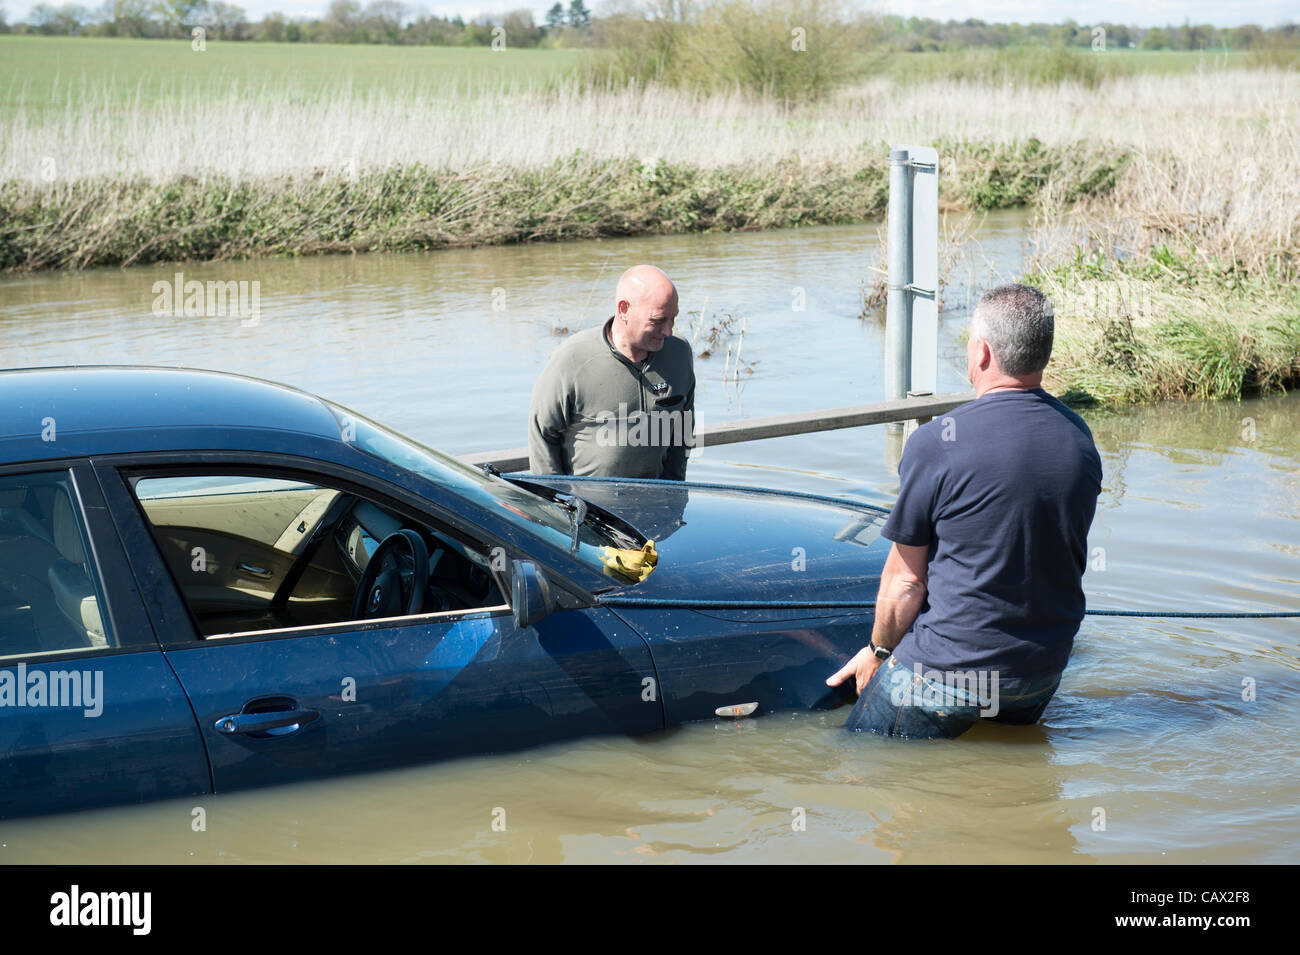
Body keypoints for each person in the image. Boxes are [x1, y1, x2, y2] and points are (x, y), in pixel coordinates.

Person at [827, 283, 1103, 738]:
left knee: (861, 767)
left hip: (946, 673)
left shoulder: (937, 442)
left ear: (982, 353)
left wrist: (876, 653)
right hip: (1038, 674)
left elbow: (906, 580)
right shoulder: (1078, 438)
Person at [528, 264, 696, 480]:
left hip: (657, 504)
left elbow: (684, 427)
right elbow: (542, 436)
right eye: (657, 320)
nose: (668, 331)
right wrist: (555, 503)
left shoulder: (679, 352)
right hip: (586, 507)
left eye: (673, 318)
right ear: (624, 309)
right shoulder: (571, 359)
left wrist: (675, 494)